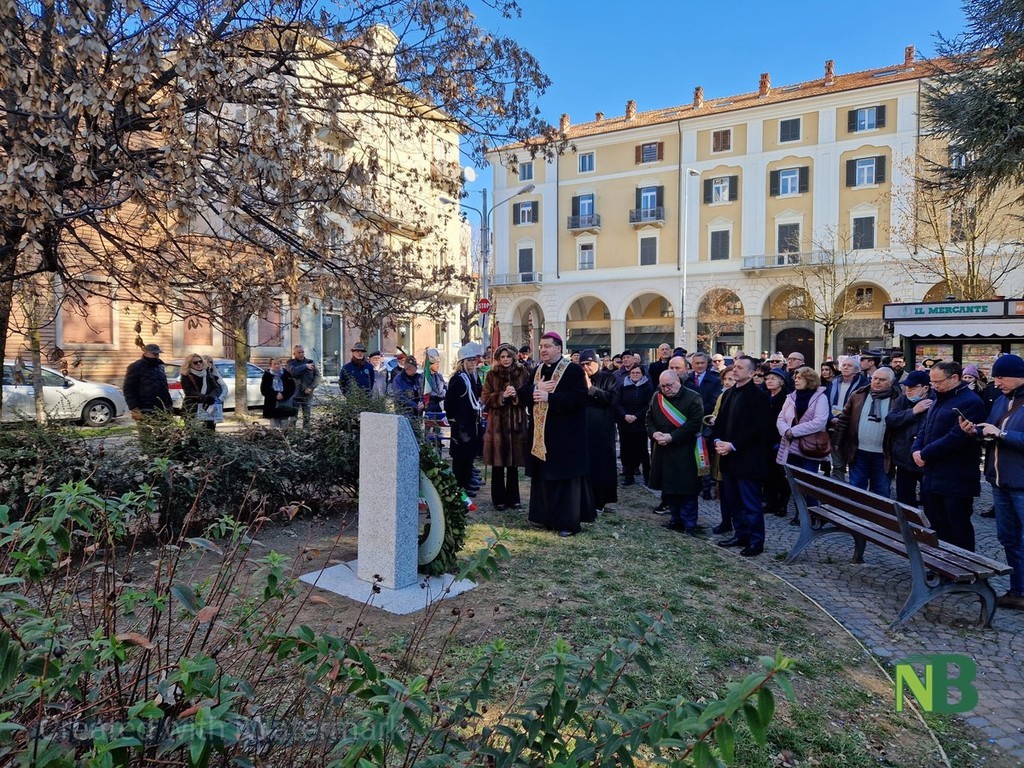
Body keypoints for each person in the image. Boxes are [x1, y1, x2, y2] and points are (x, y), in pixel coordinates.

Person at [959, 354, 1024, 609]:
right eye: (995, 377)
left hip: (1021, 484)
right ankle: (1018, 591)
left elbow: (1004, 434)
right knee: (1008, 539)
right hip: (999, 481)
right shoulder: (1000, 400)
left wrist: (1002, 433)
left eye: (1001, 377)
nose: (996, 382)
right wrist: (976, 432)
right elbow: (992, 430)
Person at [912, 361, 987, 551]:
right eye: (932, 382)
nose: (934, 386)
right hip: (933, 475)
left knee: (957, 528)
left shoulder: (971, 402)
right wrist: (915, 449)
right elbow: (925, 427)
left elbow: (956, 437)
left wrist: (925, 453)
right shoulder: (939, 398)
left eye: (938, 382)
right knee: (936, 526)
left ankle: (964, 570)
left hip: (957, 477)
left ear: (955, 378)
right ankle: (940, 566)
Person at [526, 332, 593, 537]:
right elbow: (527, 393)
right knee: (544, 478)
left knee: (565, 480)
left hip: (566, 436)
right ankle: (545, 517)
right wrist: (534, 390)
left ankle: (567, 523)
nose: (543, 350)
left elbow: (579, 398)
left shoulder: (572, 370)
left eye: (548, 346)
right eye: (541, 346)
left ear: (559, 348)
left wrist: (550, 398)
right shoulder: (537, 370)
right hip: (542, 435)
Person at [713, 356, 772, 556]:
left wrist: (733, 445)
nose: (735, 370)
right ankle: (740, 534)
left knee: (750, 502)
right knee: (733, 499)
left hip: (748, 457)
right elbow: (720, 421)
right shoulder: (729, 393)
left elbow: (758, 429)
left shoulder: (759, 397)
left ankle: (756, 541)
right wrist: (718, 441)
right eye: (734, 366)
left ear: (752, 373)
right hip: (727, 455)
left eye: (740, 367)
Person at [648, 370, 704, 533]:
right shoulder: (657, 397)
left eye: (669, 385)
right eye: (663, 386)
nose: (666, 389)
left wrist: (672, 437)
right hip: (663, 450)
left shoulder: (693, 398)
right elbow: (649, 418)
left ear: (678, 381)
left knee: (687, 489)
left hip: (685, 450)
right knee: (669, 488)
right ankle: (675, 519)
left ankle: (690, 524)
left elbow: (694, 424)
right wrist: (654, 433)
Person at [776, 366, 830, 522]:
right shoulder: (791, 397)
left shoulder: (820, 397)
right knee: (794, 483)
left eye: (800, 377)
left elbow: (819, 422)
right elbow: (780, 418)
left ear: (810, 380)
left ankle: (813, 513)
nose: (796, 380)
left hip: (809, 447)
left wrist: (794, 431)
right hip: (790, 445)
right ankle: (800, 514)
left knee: (809, 483)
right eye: (795, 377)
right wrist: (786, 430)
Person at [834, 367, 899, 496]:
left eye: (882, 380)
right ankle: (856, 516)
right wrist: (837, 443)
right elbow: (844, 420)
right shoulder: (858, 394)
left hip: (883, 454)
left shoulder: (898, 399)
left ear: (890, 382)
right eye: (875, 378)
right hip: (858, 451)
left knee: (881, 492)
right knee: (856, 489)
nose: (877, 382)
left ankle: (877, 516)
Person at [481, 343, 530, 509]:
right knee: (498, 462)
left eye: (508, 356)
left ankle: (514, 498)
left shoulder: (523, 372)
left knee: (513, 464)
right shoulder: (491, 374)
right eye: (502, 357)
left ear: (514, 357)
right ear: (498, 359)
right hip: (498, 424)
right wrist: (502, 395)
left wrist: (517, 396)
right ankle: (498, 499)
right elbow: (485, 397)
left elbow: (529, 395)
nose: (506, 360)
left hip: (516, 423)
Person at [579, 349, 619, 513]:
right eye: (582, 365)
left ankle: (601, 501)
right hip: (583, 429)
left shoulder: (609, 378)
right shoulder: (578, 379)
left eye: (588, 364)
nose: (585, 368)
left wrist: (591, 389)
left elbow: (611, 399)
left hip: (603, 430)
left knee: (602, 466)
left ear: (597, 363)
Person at [885, 370, 932, 506]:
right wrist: (913, 412)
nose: (908, 390)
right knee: (904, 500)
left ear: (925, 388)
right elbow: (890, 420)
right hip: (904, 458)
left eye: (912, 387)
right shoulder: (902, 400)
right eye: (906, 387)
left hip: (925, 459)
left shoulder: (934, 401)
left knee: (930, 501)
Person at [447, 344, 484, 496]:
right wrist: (453, 420)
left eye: (474, 360)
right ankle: (461, 484)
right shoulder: (458, 379)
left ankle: (467, 479)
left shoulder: (472, 377)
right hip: (460, 423)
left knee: (469, 453)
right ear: (462, 362)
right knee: (460, 456)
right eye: (469, 361)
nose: (472, 363)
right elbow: (449, 402)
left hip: (471, 421)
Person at [826, 356, 868, 480]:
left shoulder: (864, 385)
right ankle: (837, 493)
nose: (845, 367)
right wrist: (831, 418)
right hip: (834, 427)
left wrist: (843, 419)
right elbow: (826, 403)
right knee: (837, 464)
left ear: (857, 370)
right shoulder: (834, 382)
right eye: (843, 365)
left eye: (849, 366)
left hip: (853, 429)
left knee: (855, 464)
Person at [615, 364, 654, 485]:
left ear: (642, 374)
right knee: (626, 451)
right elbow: (617, 403)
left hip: (640, 423)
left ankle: (648, 476)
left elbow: (649, 405)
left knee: (642, 451)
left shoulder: (647, 387)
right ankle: (628, 476)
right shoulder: (623, 386)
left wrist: (637, 416)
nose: (635, 375)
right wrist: (624, 415)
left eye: (638, 373)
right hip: (625, 422)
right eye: (633, 373)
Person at [762, 368, 792, 517]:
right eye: (767, 378)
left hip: (780, 440)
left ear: (781, 381)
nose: (769, 381)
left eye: (773, 378)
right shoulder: (765, 396)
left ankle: (782, 504)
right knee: (768, 474)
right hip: (765, 440)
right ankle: (771, 502)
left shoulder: (786, 398)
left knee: (781, 475)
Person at [123, 343, 173, 417]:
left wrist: (169, 405)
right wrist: (134, 407)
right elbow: (129, 388)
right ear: (146, 353)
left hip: (163, 409)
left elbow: (164, 388)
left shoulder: (160, 366)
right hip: (146, 409)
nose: (157, 356)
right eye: (154, 354)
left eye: (158, 354)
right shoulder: (136, 367)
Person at [180, 353, 225, 431]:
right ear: (189, 364)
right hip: (193, 406)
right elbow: (189, 392)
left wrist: (212, 396)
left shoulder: (207, 372)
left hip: (208, 406)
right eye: (195, 362)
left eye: (200, 361)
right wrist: (205, 397)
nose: (199, 364)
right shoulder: (186, 376)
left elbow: (215, 387)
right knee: (193, 432)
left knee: (209, 430)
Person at [286, 345, 322, 428]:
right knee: (293, 418)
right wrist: (305, 366)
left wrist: (311, 387)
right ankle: (292, 436)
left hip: (307, 395)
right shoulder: (290, 363)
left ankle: (306, 435)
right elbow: (293, 371)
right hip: (294, 395)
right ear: (294, 353)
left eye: (302, 352)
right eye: (299, 352)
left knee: (307, 417)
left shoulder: (310, 362)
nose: (301, 354)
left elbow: (317, 376)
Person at [260, 358, 297, 429]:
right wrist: (275, 395)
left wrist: (283, 394)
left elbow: (291, 388)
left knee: (284, 423)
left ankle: (285, 438)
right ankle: (275, 438)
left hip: (285, 401)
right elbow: (264, 390)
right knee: (274, 424)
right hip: (272, 403)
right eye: (274, 364)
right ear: (270, 365)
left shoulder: (286, 374)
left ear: (281, 364)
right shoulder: (267, 375)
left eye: (278, 364)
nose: (277, 366)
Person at [423, 348, 448, 449]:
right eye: (435, 363)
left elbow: (445, 386)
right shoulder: (425, 376)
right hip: (429, 403)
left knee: (438, 425)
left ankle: (438, 442)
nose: (437, 365)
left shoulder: (439, 376)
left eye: (438, 363)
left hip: (438, 403)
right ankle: (426, 444)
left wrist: (444, 393)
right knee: (428, 426)